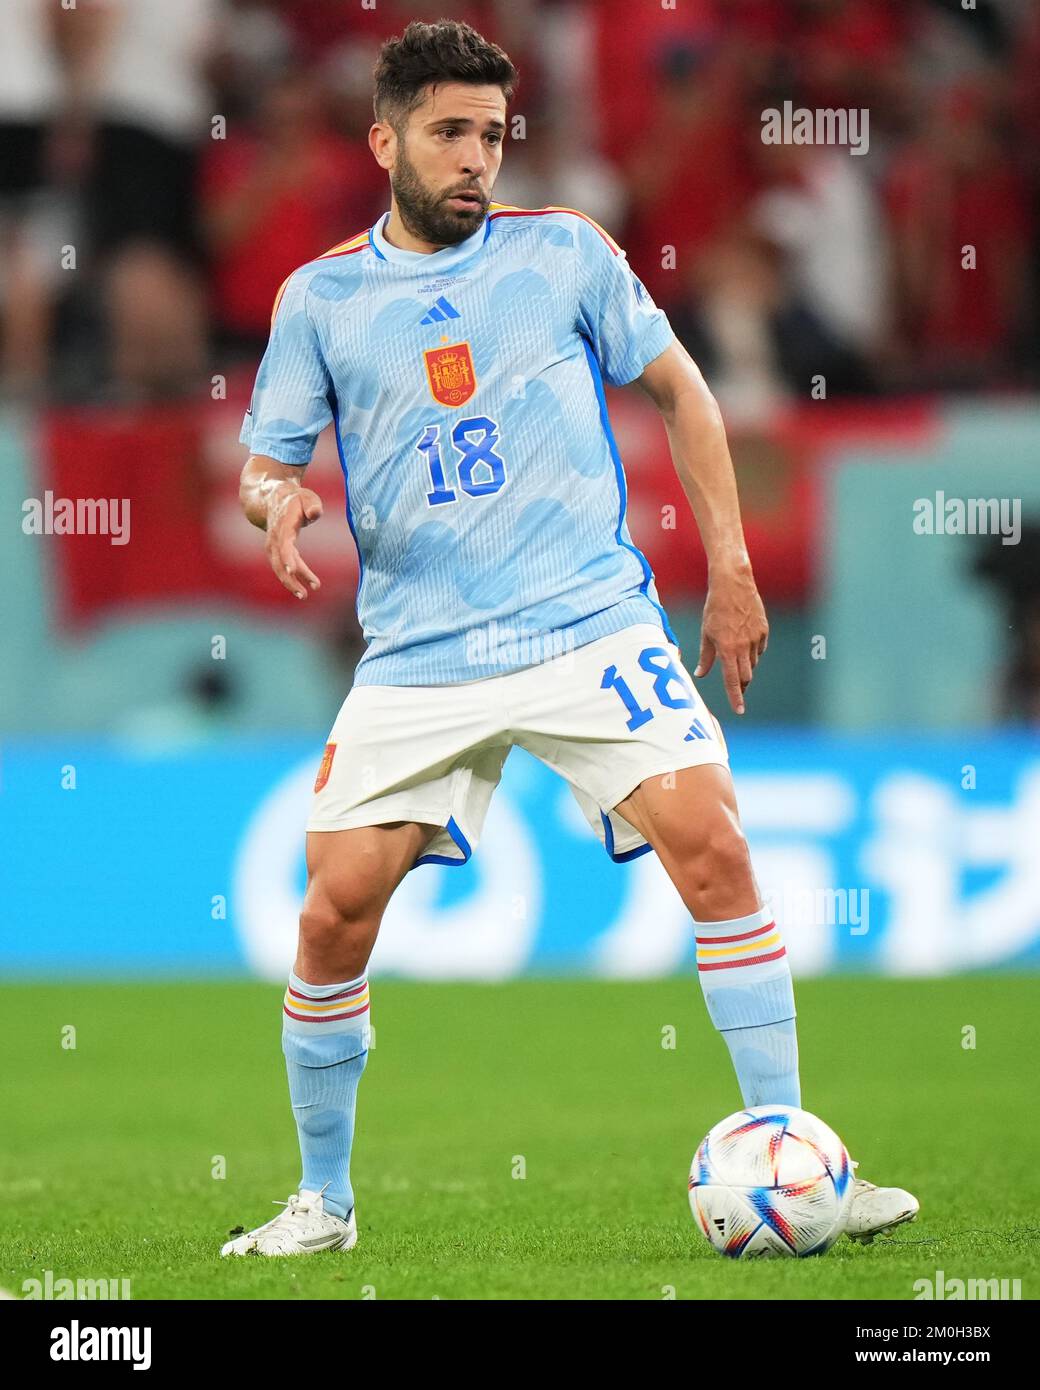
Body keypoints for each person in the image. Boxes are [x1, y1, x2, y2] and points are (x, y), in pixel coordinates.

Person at [225, 19, 918, 1258]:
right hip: (419, 651)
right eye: (448, 133)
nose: (474, 159)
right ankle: (321, 1203)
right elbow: (262, 467)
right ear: (383, 140)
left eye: (490, 134)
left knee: (712, 842)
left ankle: (795, 1153)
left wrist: (732, 569)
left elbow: (683, 393)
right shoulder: (319, 298)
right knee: (332, 915)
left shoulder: (562, 256)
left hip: (583, 620)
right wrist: (281, 509)